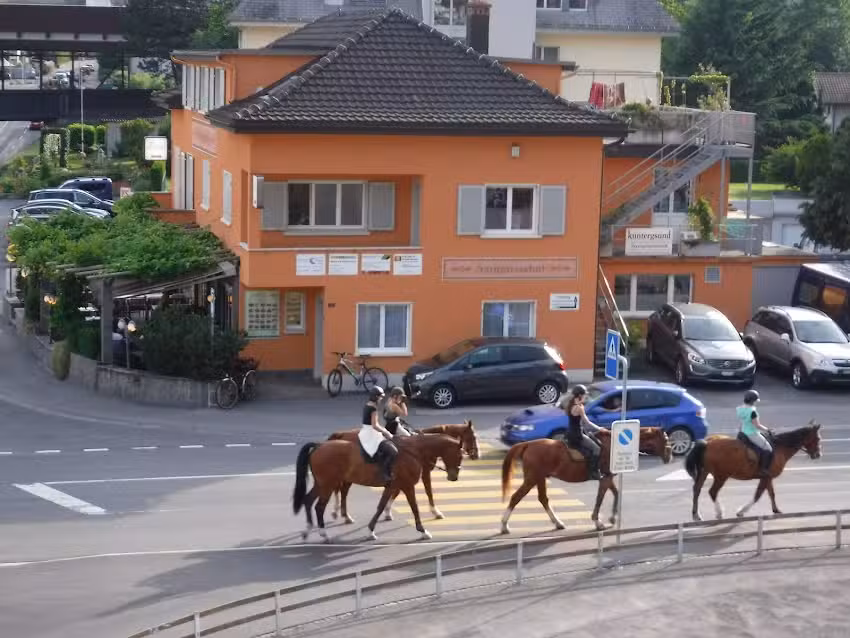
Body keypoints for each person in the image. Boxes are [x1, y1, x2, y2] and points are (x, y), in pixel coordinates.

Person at [561, 384, 604, 480]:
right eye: (585, 394)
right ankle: (593, 472)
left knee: (594, 439)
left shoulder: (570, 404)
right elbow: (587, 422)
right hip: (577, 435)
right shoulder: (579, 408)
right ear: (580, 395)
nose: (586, 396)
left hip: (570, 432)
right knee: (597, 449)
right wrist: (600, 429)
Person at [358, 386, 398, 484]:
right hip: (371, 433)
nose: (381, 399)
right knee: (393, 451)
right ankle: (385, 474)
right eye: (380, 397)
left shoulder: (367, 404)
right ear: (375, 397)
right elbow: (375, 425)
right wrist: (386, 432)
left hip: (366, 431)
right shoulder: (373, 408)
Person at [737, 389, 773, 477]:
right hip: (752, 434)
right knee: (768, 449)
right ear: (753, 401)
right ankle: (763, 470)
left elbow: (742, 422)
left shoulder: (739, 409)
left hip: (742, 432)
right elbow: (757, 425)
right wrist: (767, 430)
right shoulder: (752, 412)